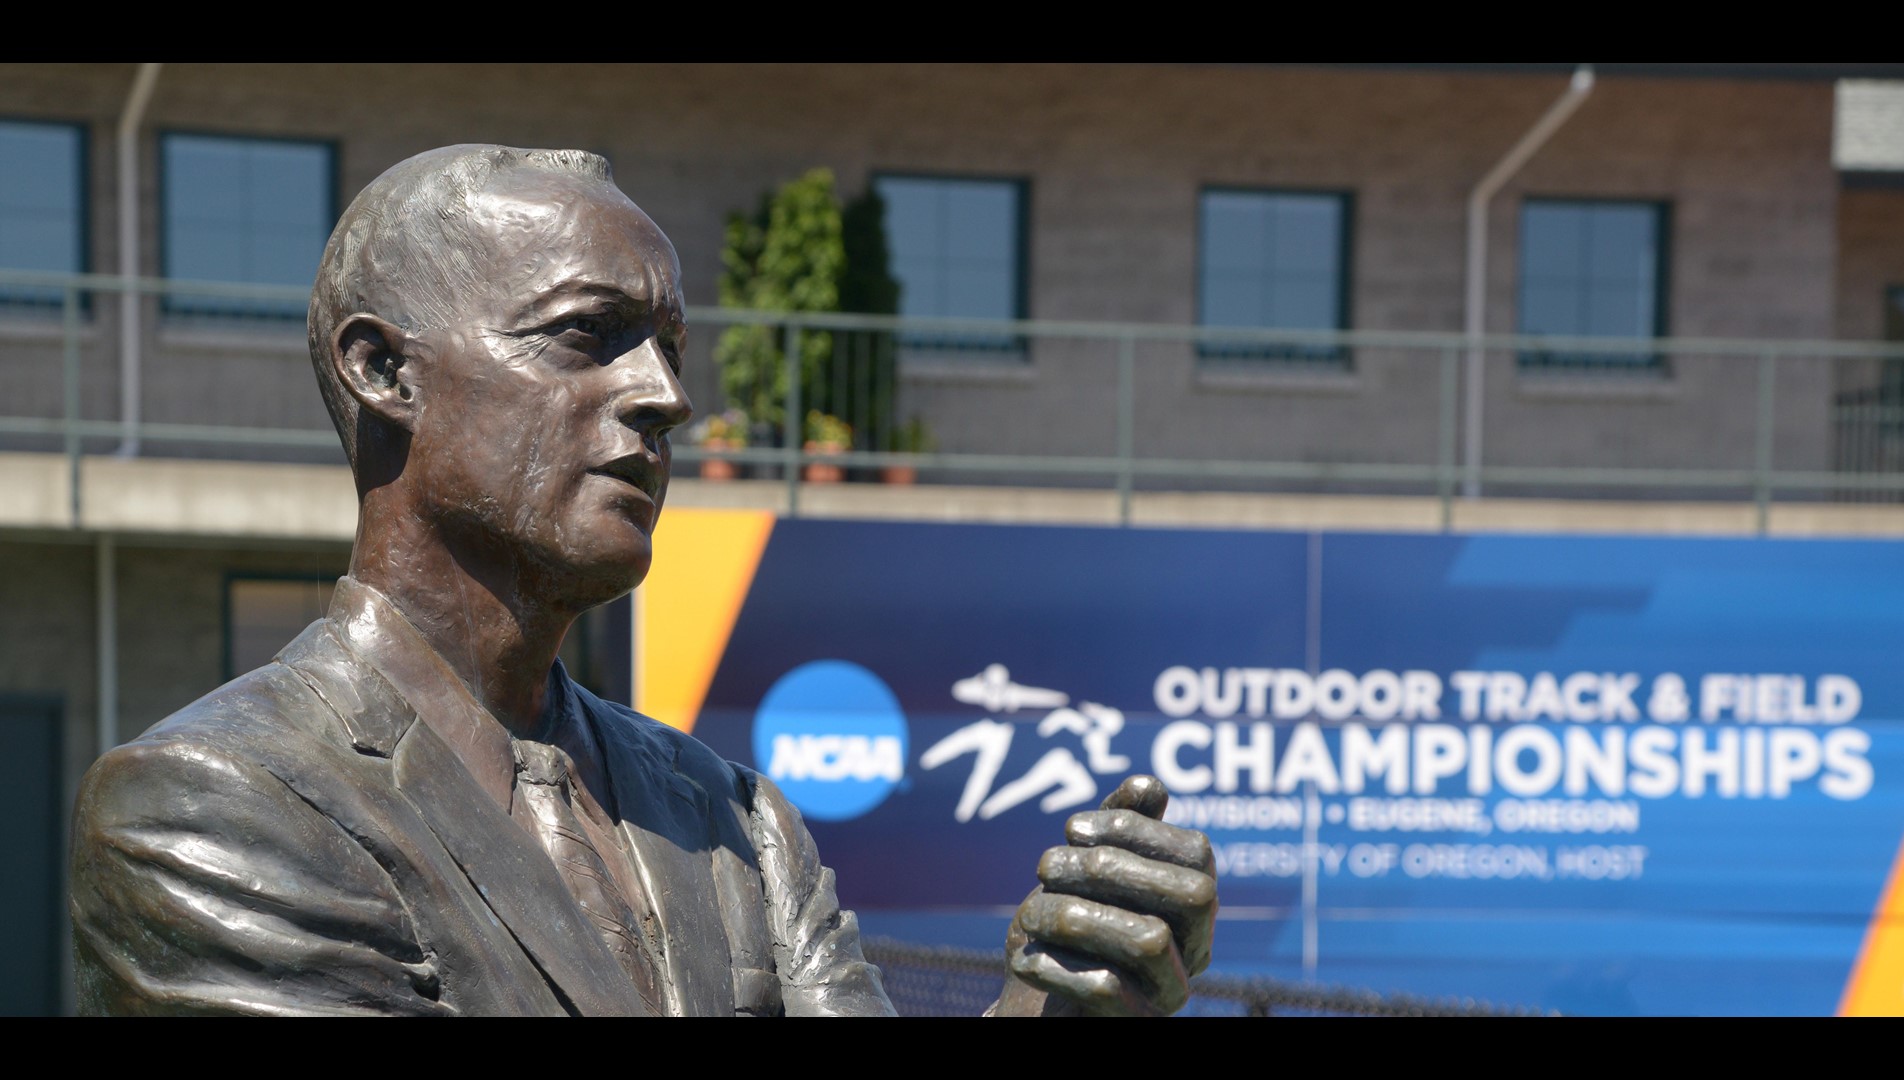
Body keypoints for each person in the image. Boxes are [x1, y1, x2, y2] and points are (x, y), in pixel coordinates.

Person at [69, 145, 1218, 1017]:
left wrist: (1063, 1003)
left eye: (669, 344)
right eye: (590, 334)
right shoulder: (215, 804)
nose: (666, 395)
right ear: (384, 372)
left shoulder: (733, 820)